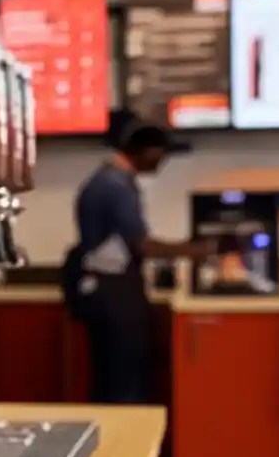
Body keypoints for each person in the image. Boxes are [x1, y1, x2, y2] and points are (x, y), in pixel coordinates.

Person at [66, 120, 212, 404]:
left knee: (113, 376)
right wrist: (193, 250)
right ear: (148, 151)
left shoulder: (110, 180)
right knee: (124, 380)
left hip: (108, 288)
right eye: (163, 153)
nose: (164, 160)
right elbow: (142, 245)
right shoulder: (115, 186)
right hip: (113, 291)